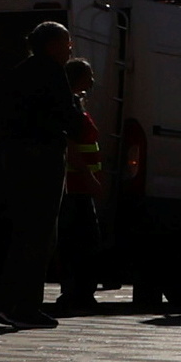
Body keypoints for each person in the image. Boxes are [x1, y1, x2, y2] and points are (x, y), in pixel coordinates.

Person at [0, 20, 77, 327]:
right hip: (43, 162)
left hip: (17, 161)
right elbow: (69, 117)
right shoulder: (52, 73)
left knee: (21, 233)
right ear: (53, 45)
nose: (70, 49)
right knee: (40, 236)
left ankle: (7, 300)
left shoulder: (20, 71)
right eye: (67, 43)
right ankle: (25, 306)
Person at [54, 56, 107, 315]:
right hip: (76, 187)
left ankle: (80, 292)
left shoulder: (75, 104)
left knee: (82, 242)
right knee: (82, 243)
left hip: (80, 187)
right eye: (88, 75)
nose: (92, 80)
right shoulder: (71, 108)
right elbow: (72, 147)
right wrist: (90, 177)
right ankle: (77, 293)